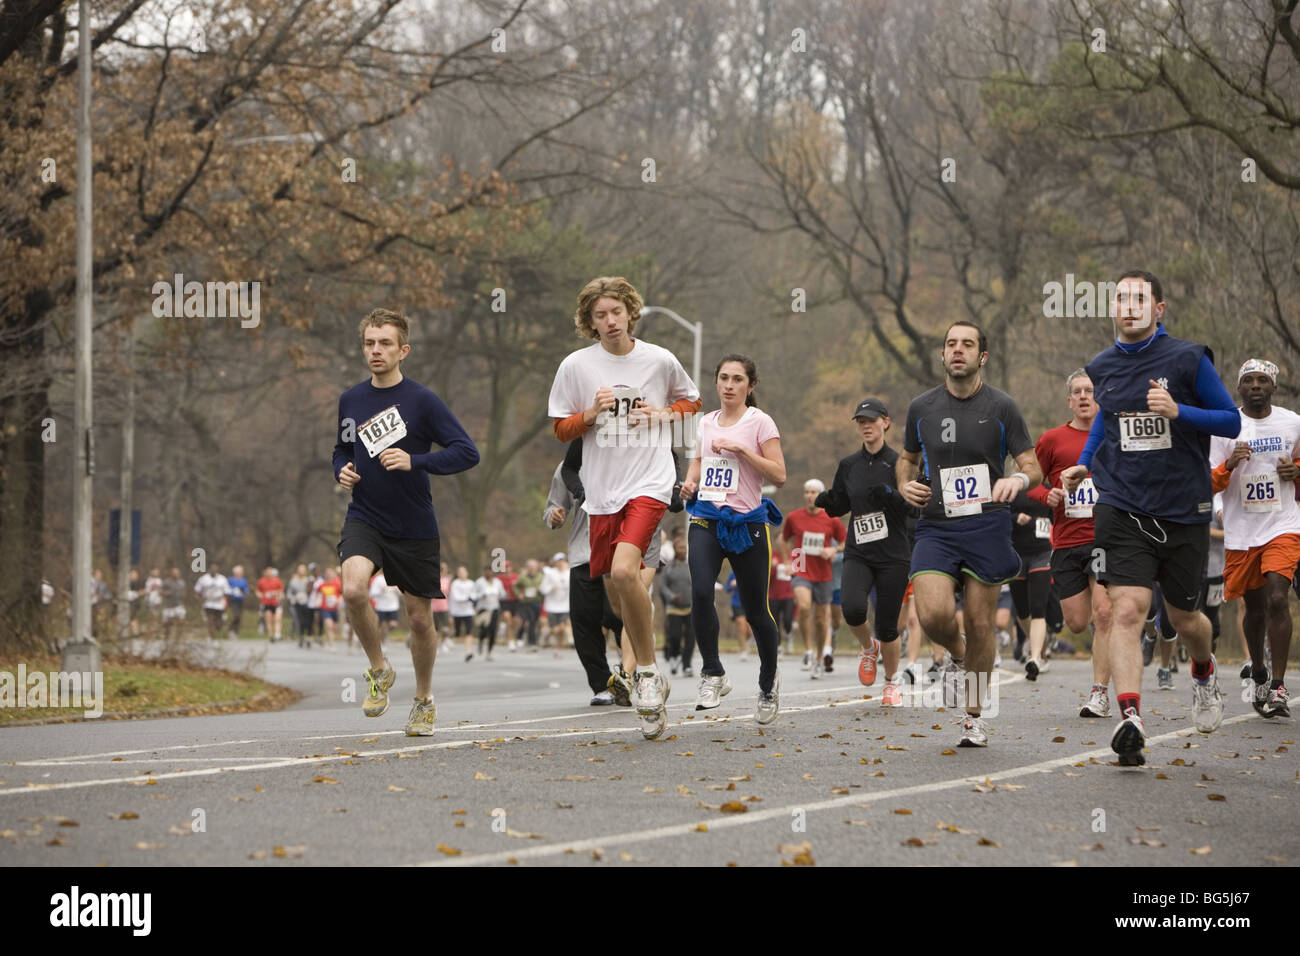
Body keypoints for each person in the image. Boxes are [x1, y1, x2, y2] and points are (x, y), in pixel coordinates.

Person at [1061, 270, 1240, 765]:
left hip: (1183, 507)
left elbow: (1230, 419)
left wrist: (1179, 411)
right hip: (1122, 504)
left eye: (1140, 298)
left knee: (1185, 619)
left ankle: (1203, 673)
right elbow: (1107, 417)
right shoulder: (1101, 366)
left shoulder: (1188, 358)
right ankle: (1130, 718)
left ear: (1158, 309)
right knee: (1125, 609)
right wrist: (1086, 461)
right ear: (1112, 308)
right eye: (1121, 297)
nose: (1130, 305)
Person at [547, 276, 701, 739]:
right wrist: (591, 415)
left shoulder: (658, 359)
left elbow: (692, 402)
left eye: (616, 312)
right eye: (600, 315)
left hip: (650, 482)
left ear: (630, 312)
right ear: (589, 322)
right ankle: (646, 665)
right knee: (617, 595)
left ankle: (647, 674)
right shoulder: (576, 367)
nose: (610, 321)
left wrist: (661, 415)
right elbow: (560, 429)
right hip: (602, 490)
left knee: (623, 571)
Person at [333, 308, 479, 735]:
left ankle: (423, 699)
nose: (375, 351)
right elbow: (341, 449)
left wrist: (415, 460)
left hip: (414, 522)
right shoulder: (351, 400)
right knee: (353, 588)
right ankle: (378, 669)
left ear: (403, 351)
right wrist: (340, 469)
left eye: (384, 344)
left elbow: (466, 452)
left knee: (419, 620)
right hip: (366, 514)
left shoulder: (422, 401)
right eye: (369, 343)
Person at [897, 321, 1042, 748]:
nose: (957, 350)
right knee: (933, 615)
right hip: (937, 526)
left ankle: (974, 717)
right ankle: (958, 657)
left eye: (968, 345)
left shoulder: (1002, 407)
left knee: (981, 622)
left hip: (987, 524)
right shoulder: (921, 407)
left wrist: (1017, 482)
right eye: (950, 344)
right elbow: (905, 460)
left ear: (982, 357)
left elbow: (1032, 466)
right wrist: (905, 483)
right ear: (942, 355)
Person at [680, 353, 786, 722]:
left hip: (747, 523)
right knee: (700, 592)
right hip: (706, 517)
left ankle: (768, 682)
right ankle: (712, 672)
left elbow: (780, 474)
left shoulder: (760, 422)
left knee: (757, 612)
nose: (728, 385)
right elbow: (699, 461)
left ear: (750, 386)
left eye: (737, 379)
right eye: (723, 378)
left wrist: (743, 450)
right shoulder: (706, 422)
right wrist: (691, 481)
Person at [1208, 359, 1299, 718]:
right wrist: (1228, 467)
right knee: (1255, 606)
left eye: (1264, 380)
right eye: (1249, 380)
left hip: (1283, 523)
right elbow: (1208, 480)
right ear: (1239, 388)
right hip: (1242, 530)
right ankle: (1258, 670)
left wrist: (1297, 470)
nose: (1257, 385)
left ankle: (1277, 685)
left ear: (1274, 388)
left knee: (1279, 597)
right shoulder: (1225, 427)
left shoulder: (1292, 423)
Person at [816, 397, 914, 705]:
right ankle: (868, 649)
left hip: (893, 553)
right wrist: (827, 501)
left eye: (871, 420)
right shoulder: (849, 465)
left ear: (886, 422)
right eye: (861, 421)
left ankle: (892, 683)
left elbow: (916, 509)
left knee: (888, 625)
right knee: (853, 610)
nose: (866, 426)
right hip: (859, 550)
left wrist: (892, 497)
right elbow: (842, 502)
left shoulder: (901, 463)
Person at [1028, 370, 1114, 716]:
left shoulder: (1111, 436)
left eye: (1089, 390)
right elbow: (1029, 478)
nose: (1083, 396)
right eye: (1077, 391)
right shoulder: (1052, 439)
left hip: (1104, 537)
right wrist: (1046, 494)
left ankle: (1100, 693)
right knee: (1078, 622)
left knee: (1104, 614)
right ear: (1069, 400)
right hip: (1065, 541)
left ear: (1099, 397)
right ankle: (1114, 635)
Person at [545, 458, 628, 705]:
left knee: (619, 617)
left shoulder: (623, 459)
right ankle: (602, 685)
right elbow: (553, 506)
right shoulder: (568, 466)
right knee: (584, 623)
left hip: (618, 552)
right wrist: (554, 516)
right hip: (584, 555)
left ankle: (631, 673)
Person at [781, 479, 846, 678]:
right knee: (804, 605)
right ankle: (808, 650)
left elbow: (844, 542)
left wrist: (832, 549)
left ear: (821, 495)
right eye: (807, 492)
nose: (810, 496)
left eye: (814, 492)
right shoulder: (794, 517)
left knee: (820, 620)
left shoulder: (831, 519)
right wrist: (787, 562)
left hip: (823, 572)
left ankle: (819, 658)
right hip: (801, 567)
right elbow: (784, 539)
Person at [1008, 490, 1054, 679]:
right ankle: (1037, 644)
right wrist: (1015, 517)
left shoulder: (1048, 488)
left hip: (1041, 553)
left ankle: (1034, 658)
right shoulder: (1011, 489)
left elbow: (1055, 516)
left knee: (1038, 607)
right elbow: (1000, 514)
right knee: (1022, 611)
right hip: (1017, 554)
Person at [658, 528, 696, 675]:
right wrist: (671, 596)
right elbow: (663, 586)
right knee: (674, 636)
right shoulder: (668, 568)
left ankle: (687, 665)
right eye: (680, 548)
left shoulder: (691, 566)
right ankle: (674, 656)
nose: (683, 550)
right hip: (674, 608)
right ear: (675, 549)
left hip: (690, 607)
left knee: (690, 637)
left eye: (684, 548)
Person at [472, 563, 506, 660]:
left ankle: (490, 651)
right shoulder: (479, 582)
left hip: (494, 608)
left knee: (493, 630)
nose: (489, 572)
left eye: (490, 570)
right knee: (484, 629)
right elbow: (474, 595)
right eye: (487, 570)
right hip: (483, 608)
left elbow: (503, 594)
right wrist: (482, 595)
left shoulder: (497, 582)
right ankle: (481, 641)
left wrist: (499, 595)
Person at [541, 553, 572, 648]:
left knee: (564, 625)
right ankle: (548, 633)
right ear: (555, 562)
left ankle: (568, 642)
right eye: (558, 561)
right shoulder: (550, 574)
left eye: (562, 560)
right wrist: (551, 587)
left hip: (565, 605)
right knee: (556, 629)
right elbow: (542, 589)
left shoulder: (569, 573)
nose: (561, 563)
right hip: (552, 606)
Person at [194, 563, 230, 640]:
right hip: (208, 603)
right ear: (210, 570)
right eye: (212, 569)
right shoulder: (203, 579)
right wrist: (200, 599)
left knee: (218, 623)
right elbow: (197, 590)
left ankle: (218, 627)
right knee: (210, 620)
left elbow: (227, 591)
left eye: (215, 569)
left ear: (217, 570)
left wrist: (226, 602)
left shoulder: (222, 579)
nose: (214, 570)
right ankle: (212, 637)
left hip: (219, 603)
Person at [449, 566, 476, 658]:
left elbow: (474, 595)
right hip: (457, 612)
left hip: (468, 611)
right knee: (457, 632)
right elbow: (457, 598)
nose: (462, 574)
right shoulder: (455, 584)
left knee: (469, 631)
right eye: (460, 572)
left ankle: (468, 651)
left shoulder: (471, 583)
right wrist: (467, 598)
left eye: (464, 572)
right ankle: (446, 639)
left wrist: (472, 598)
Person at [369, 569, 402, 645]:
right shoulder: (378, 579)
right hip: (381, 607)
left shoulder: (395, 578)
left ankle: (384, 635)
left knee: (393, 625)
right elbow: (372, 593)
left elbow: (401, 592)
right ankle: (382, 643)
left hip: (393, 606)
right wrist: (381, 590)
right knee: (383, 626)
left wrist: (397, 590)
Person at [256, 566, 284, 642]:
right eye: (268, 572)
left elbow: (281, 591)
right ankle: (271, 636)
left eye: (270, 572)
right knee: (269, 619)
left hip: (276, 603)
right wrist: (260, 595)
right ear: (265, 573)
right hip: (266, 603)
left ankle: (277, 634)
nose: (269, 573)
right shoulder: (261, 581)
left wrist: (277, 594)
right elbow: (257, 591)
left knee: (277, 619)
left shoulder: (277, 581)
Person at [288, 564, 312, 645]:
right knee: (300, 620)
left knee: (307, 621)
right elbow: (289, 593)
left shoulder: (308, 580)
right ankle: (301, 637)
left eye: (303, 570)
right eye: (300, 569)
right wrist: (293, 598)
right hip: (297, 604)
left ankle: (308, 636)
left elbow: (312, 592)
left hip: (307, 603)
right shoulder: (293, 581)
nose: (302, 571)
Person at [161, 567, 187, 638]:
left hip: (179, 605)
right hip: (168, 606)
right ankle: (166, 639)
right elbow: (161, 591)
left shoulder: (181, 582)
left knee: (181, 622)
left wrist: (183, 595)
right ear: (171, 574)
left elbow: (184, 592)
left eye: (177, 573)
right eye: (175, 573)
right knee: (167, 625)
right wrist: (166, 593)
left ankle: (178, 638)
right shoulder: (166, 582)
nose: (176, 575)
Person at [227, 565, 249, 639]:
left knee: (239, 616)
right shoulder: (231, 580)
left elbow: (246, 589)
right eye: (238, 572)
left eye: (241, 572)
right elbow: (226, 588)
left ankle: (235, 632)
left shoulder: (244, 580)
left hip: (240, 600)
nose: (239, 573)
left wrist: (243, 591)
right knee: (235, 615)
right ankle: (230, 629)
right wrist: (232, 591)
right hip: (233, 600)